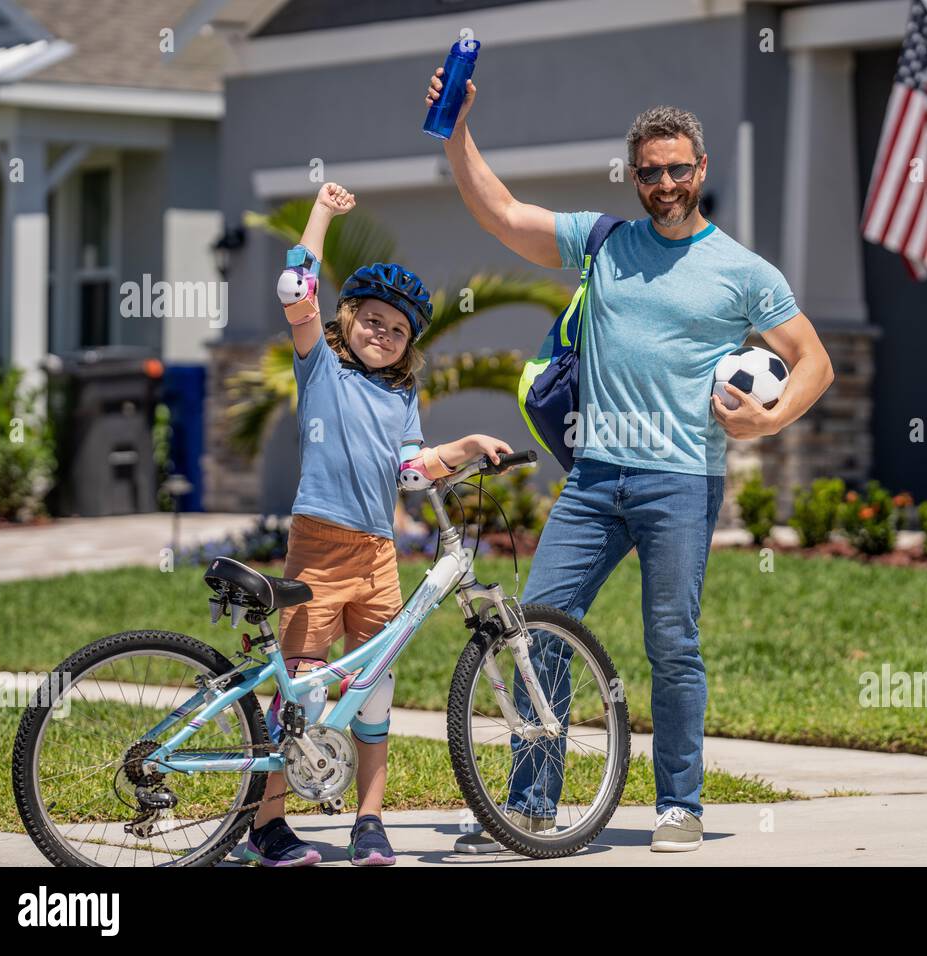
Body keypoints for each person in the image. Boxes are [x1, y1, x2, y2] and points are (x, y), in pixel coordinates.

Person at [424, 70, 835, 852]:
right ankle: (533, 805)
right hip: (593, 479)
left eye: (679, 168)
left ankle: (680, 804)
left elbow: (812, 359)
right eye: (650, 171)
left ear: (702, 168)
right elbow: (505, 214)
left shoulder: (743, 271)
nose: (666, 183)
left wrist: (768, 419)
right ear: (633, 176)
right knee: (537, 626)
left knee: (671, 642)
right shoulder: (603, 242)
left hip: (682, 479)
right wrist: (457, 132)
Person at [243, 181, 513, 866]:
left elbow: (411, 471)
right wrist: (323, 214)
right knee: (300, 690)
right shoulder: (321, 368)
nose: (383, 335)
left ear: (409, 344)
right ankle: (266, 826)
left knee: (373, 694)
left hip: (379, 555)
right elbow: (291, 288)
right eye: (372, 320)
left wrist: (469, 447)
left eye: (397, 330)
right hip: (319, 547)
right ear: (347, 319)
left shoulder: (401, 397)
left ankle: (369, 820)